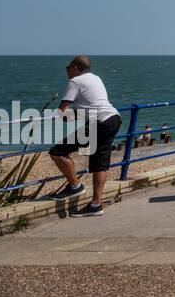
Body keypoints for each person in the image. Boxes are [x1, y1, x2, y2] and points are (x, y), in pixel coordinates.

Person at [47, 56, 121, 217]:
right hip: (113, 119)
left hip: (99, 123)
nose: (66, 70)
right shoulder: (96, 78)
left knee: (57, 152)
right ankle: (96, 204)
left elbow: (62, 111)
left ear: (75, 68)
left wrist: (61, 116)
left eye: (68, 66)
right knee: (99, 164)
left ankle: (75, 186)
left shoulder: (76, 81)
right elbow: (90, 105)